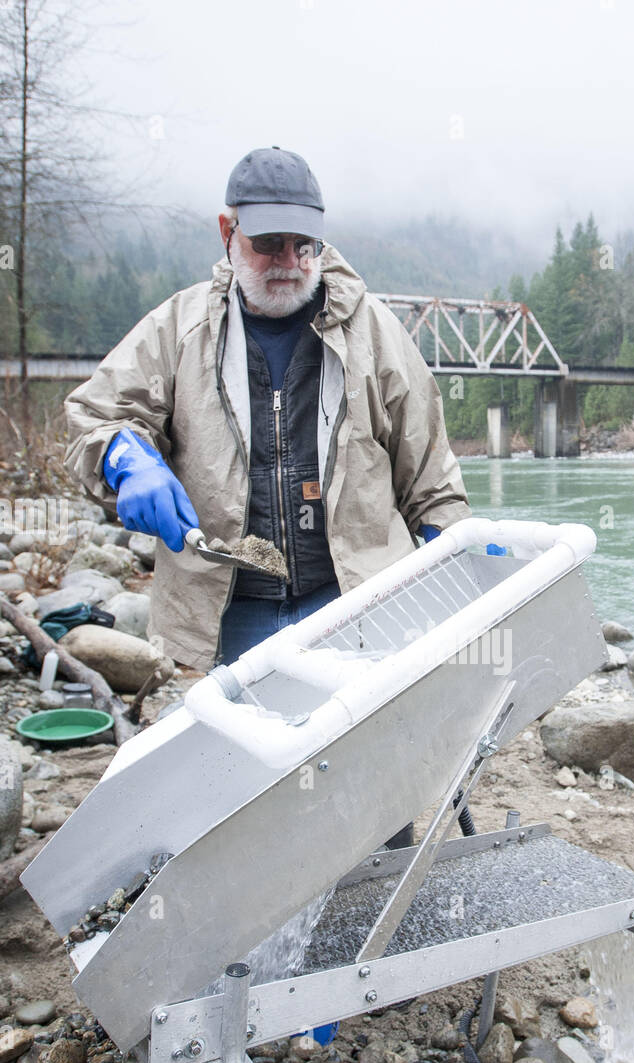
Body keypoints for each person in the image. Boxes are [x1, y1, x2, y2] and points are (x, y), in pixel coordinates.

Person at [63, 145, 473, 673]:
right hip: (229, 614)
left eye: (304, 244)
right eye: (268, 243)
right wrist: (127, 459)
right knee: (247, 753)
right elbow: (96, 418)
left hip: (359, 606)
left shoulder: (376, 331)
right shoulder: (178, 328)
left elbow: (432, 481)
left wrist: (459, 558)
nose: (289, 262)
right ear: (226, 231)